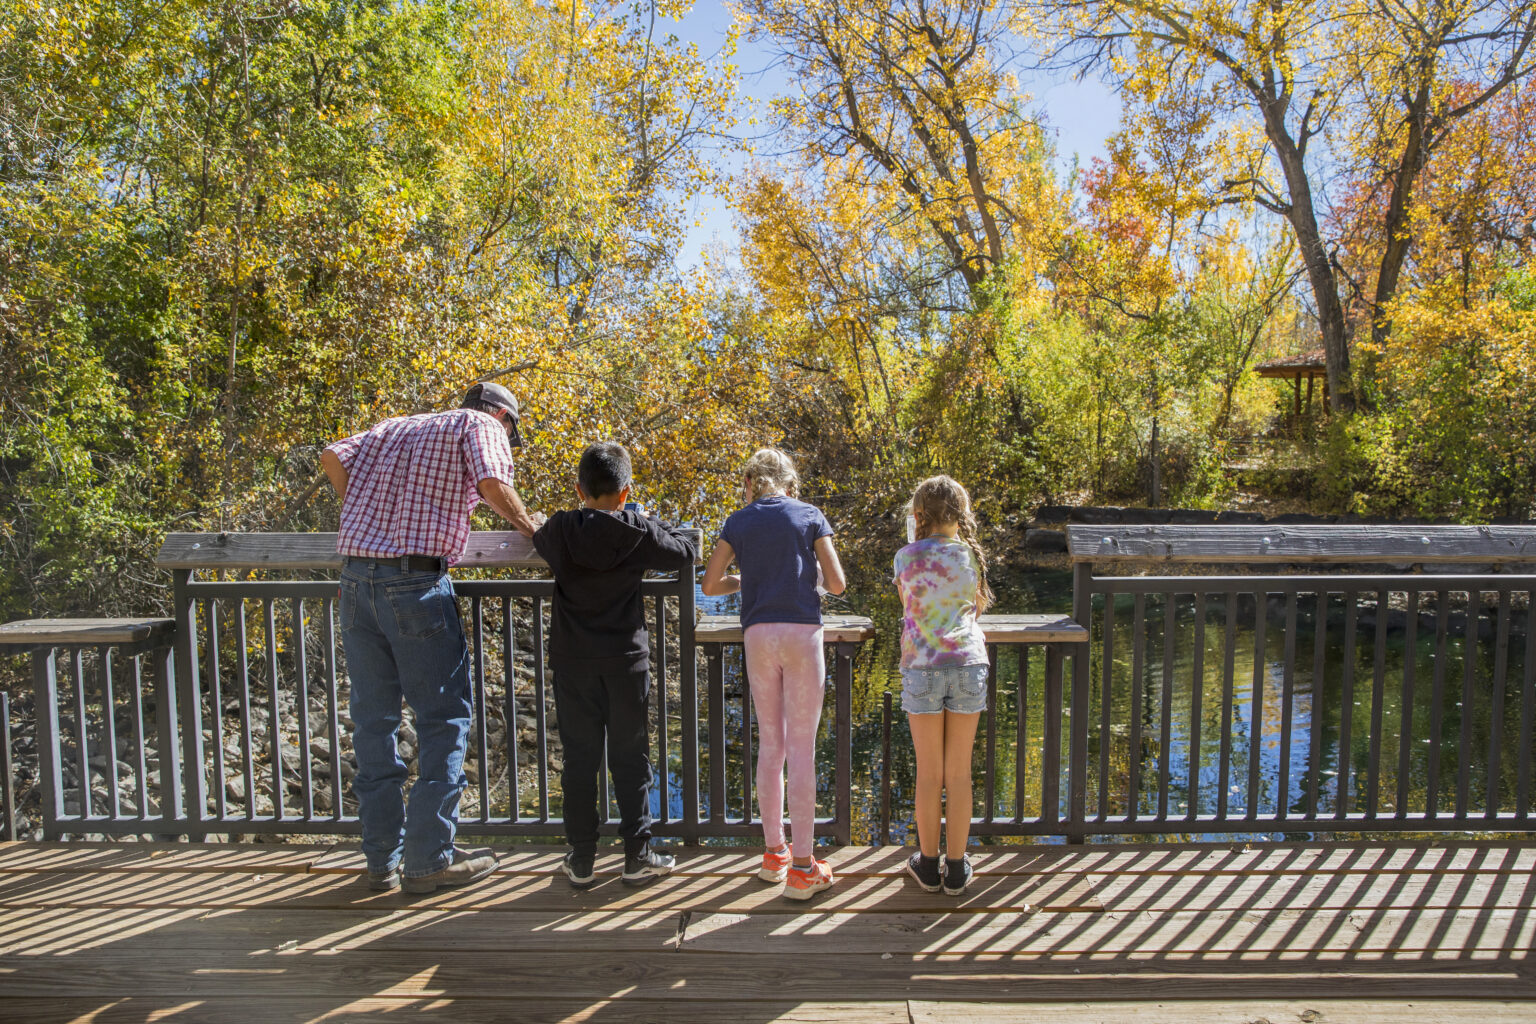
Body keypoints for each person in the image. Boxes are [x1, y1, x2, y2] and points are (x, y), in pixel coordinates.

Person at [320, 381, 541, 895]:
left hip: (355, 579)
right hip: (415, 583)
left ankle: (380, 861)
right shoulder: (481, 425)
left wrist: (363, 514)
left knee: (373, 723)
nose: (508, 441)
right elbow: (491, 482)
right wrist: (532, 526)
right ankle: (429, 859)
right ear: (504, 419)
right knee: (443, 719)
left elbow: (333, 456)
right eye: (512, 432)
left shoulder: (397, 426)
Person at [532, 442, 697, 888]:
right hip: (626, 661)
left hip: (573, 663)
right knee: (631, 757)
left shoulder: (561, 529)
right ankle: (636, 855)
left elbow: (539, 537)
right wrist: (645, 518)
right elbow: (684, 550)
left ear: (579, 488)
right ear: (625, 492)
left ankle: (582, 859)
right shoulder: (636, 532)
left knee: (580, 760)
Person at [701, 448, 846, 900]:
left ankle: (774, 855)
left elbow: (709, 585)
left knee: (771, 744)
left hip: (758, 635)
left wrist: (744, 582)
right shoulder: (809, 515)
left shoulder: (739, 521)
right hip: (803, 633)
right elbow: (837, 582)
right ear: (789, 483)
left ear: (750, 483)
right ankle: (804, 868)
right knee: (801, 748)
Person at [893, 475, 993, 896]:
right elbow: (976, 606)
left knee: (929, 773)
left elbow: (909, 607)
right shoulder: (970, 556)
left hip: (922, 666)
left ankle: (928, 866)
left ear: (919, 517)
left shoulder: (905, 557)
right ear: (960, 516)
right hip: (968, 664)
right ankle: (957, 869)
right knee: (960, 774)